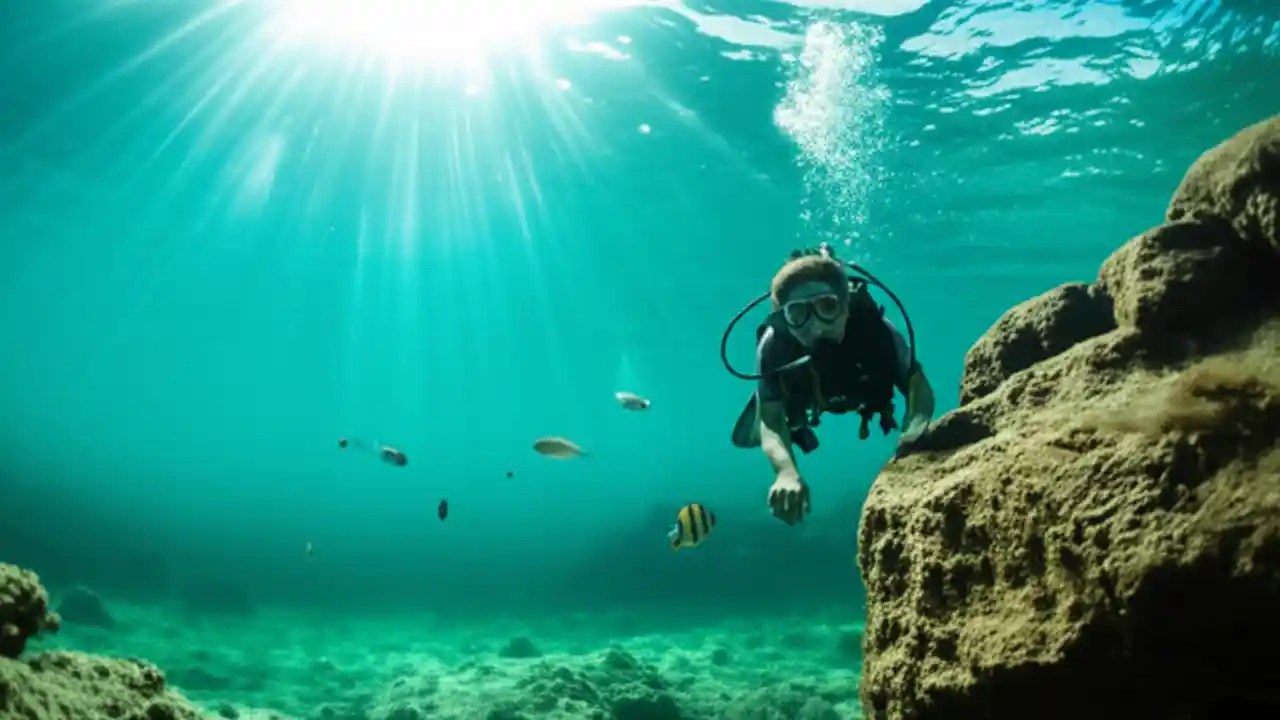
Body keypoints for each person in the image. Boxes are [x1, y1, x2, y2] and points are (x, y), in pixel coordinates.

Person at [729, 244, 935, 525]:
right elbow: (772, 419)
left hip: (861, 387)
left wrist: (914, 430)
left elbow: (917, 384)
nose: (816, 326)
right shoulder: (775, 344)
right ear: (784, 318)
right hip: (802, 390)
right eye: (797, 313)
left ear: (847, 307)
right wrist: (785, 471)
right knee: (770, 408)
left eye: (828, 306)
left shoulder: (875, 329)